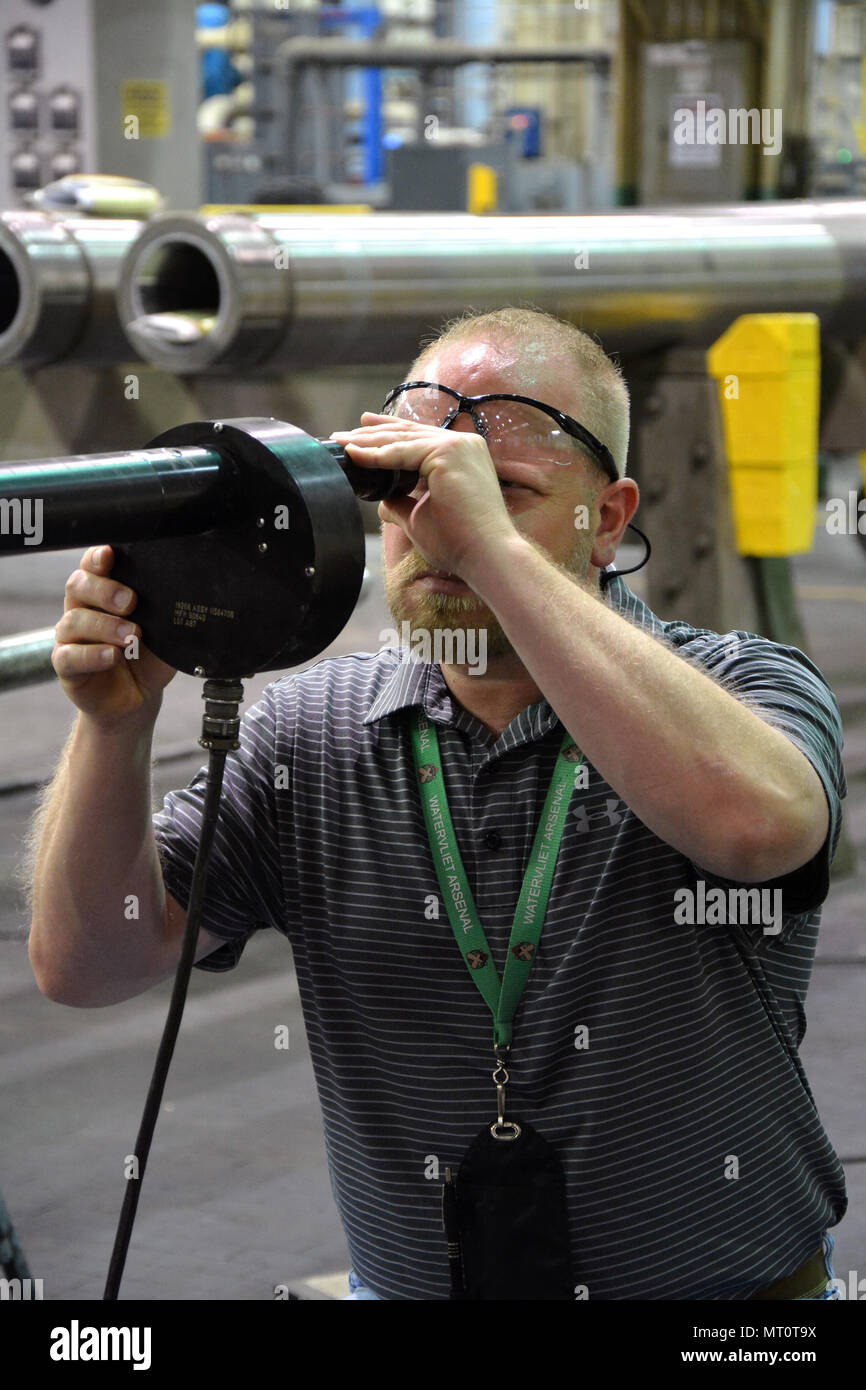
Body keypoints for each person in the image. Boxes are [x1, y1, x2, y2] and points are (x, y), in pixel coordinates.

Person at [27, 307, 846, 1301]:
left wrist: (485, 551)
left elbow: (759, 828)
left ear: (611, 518)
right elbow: (88, 961)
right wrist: (114, 728)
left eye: (505, 493)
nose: (436, 528)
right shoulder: (309, 734)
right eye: (406, 492)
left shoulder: (741, 685)